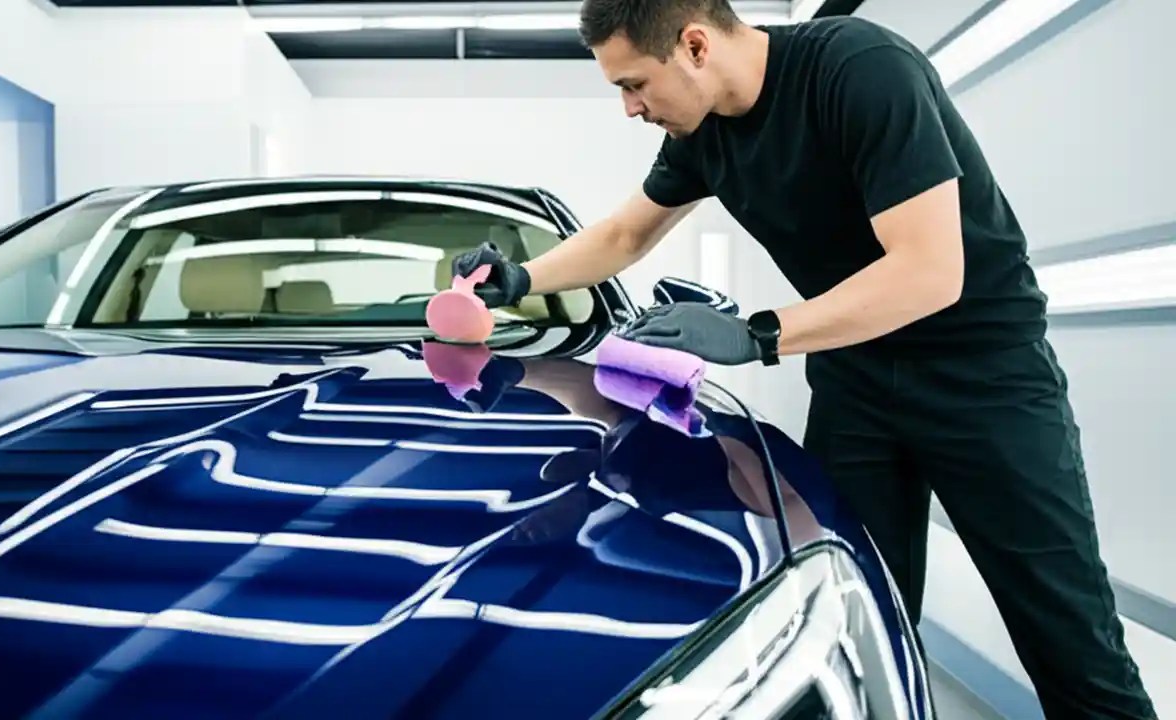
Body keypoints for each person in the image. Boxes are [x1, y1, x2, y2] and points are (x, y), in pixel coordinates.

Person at [448, 1, 1157, 717]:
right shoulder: (701, 129)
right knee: (851, 619)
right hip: (855, 384)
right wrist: (522, 278)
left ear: (695, 45)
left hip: (984, 377)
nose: (631, 108)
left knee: (1068, 640)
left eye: (634, 84)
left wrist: (757, 335)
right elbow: (626, 235)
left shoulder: (859, 71)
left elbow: (930, 272)